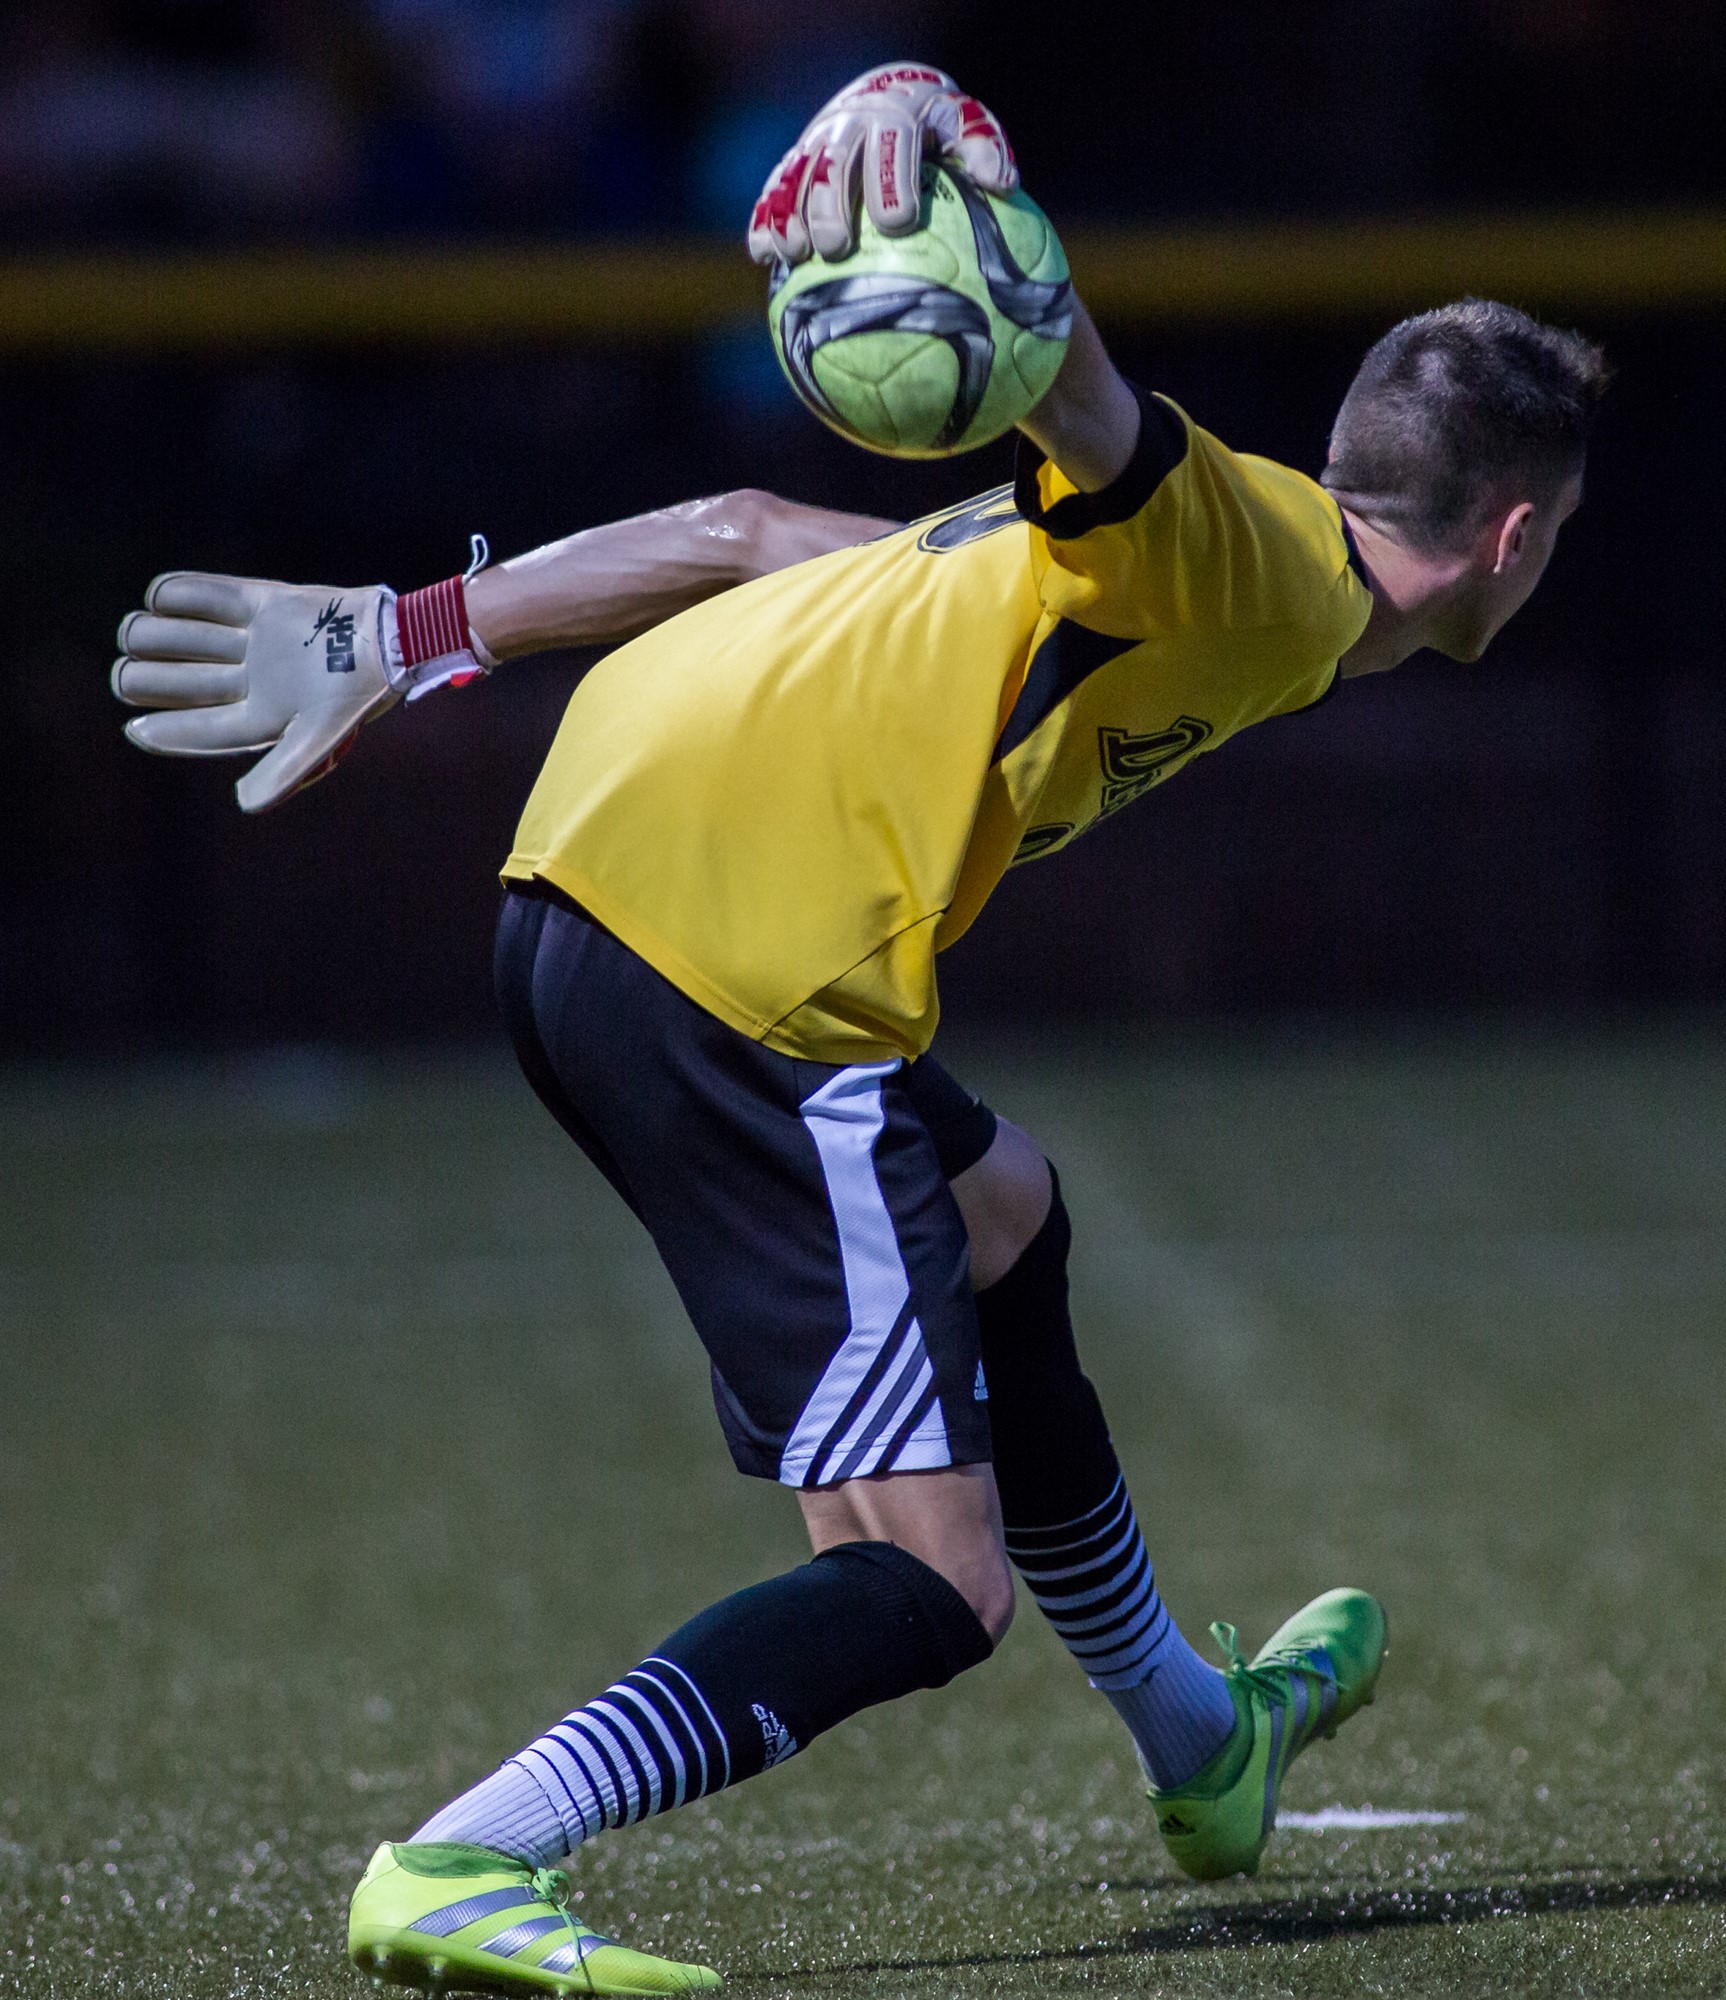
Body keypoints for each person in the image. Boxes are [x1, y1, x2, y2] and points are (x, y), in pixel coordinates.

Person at [112, 64, 1607, 1999]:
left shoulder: (1162, 575)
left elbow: (738, 527)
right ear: (1511, 538)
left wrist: (404, 637)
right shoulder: (1264, 565)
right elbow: (1089, 410)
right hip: (737, 965)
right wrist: (972, 189)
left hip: (590, 884)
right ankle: (465, 1856)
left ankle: (1198, 1742)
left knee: (1004, 1213)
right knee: (929, 1580)